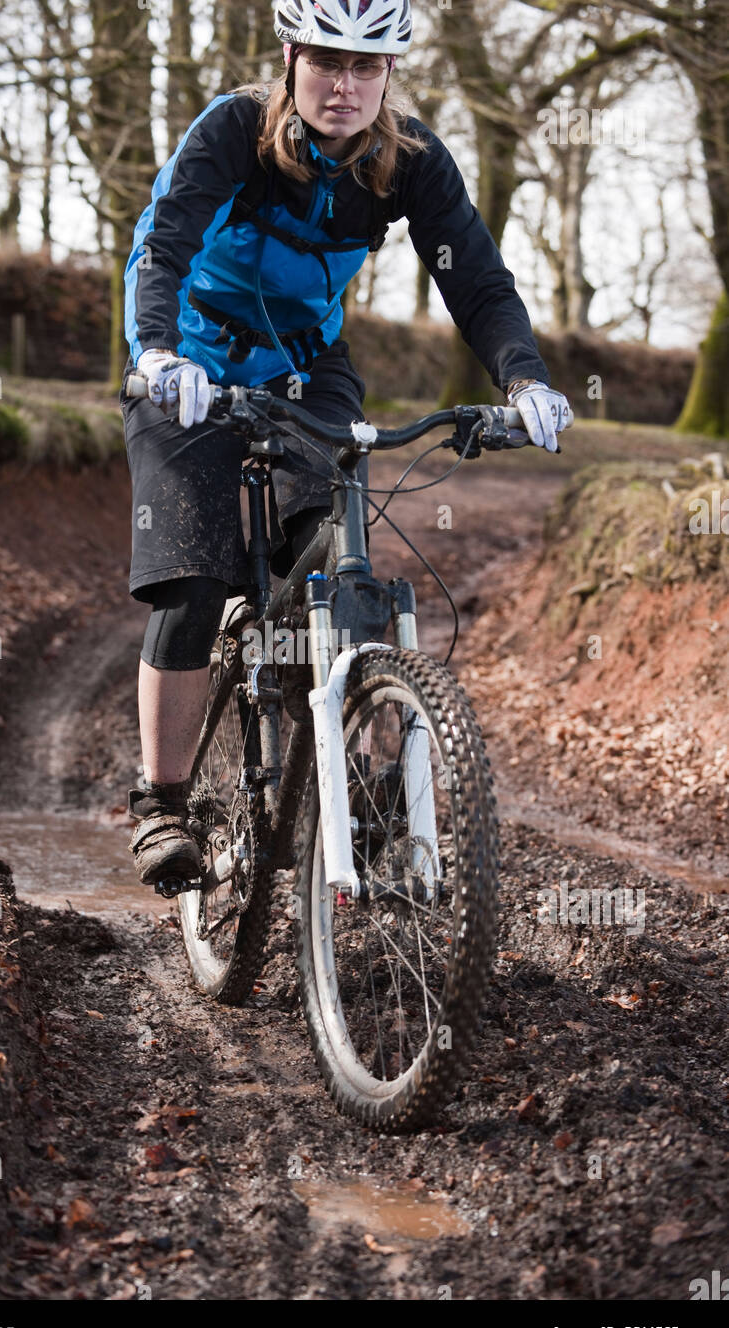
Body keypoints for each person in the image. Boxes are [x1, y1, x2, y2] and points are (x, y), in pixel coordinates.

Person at [120, 0, 572, 886]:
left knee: (338, 561)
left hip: (308, 366)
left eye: (368, 67)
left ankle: (358, 770)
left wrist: (524, 377)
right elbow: (163, 241)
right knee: (197, 573)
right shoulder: (233, 132)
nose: (345, 85)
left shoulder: (411, 161)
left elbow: (475, 278)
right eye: (328, 61)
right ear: (290, 56)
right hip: (194, 362)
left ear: (391, 74)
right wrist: (158, 351)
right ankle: (161, 806)